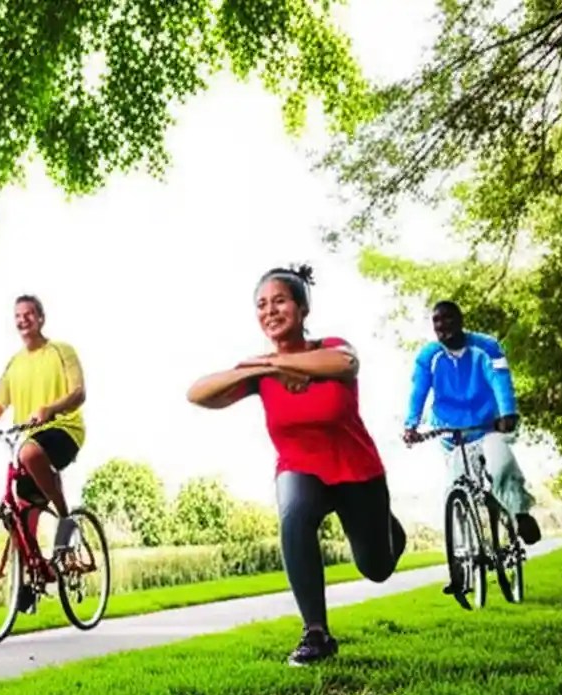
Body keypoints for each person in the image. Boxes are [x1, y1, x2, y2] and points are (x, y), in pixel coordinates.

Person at [186, 265, 407, 667]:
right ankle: (316, 633)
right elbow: (198, 394)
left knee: (377, 568)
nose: (270, 311)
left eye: (280, 301)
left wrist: (285, 365)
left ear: (303, 309)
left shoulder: (331, 348)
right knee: (293, 514)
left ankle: (388, 527)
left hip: (357, 469)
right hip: (300, 467)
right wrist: (266, 367)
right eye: (261, 305)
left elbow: (347, 364)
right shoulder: (260, 369)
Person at [402, 300, 541, 559]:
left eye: (448, 318)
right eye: (436, 321)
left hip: (488, 425)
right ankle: (465, 555)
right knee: (456, 488)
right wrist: (411, 425)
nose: (442, 325)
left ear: (461, 320)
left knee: (501, 465)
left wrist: (507, 412)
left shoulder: (487, 347)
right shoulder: (429, 356)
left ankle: (520, 514)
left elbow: (500, 379)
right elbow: (418, 391)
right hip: (451, 433)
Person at [0, 295, 87, 576]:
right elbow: (0, 401)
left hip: (64, 429)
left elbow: (79, 392)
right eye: (18, 316)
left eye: (29, 314)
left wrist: (50, 409)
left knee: (29, 452)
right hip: (28, 436)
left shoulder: (61, 351)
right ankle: (37, 573)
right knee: (20, 517)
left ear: (41, 318)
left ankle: (65, 517)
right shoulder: (15, 363)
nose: (23, 320)